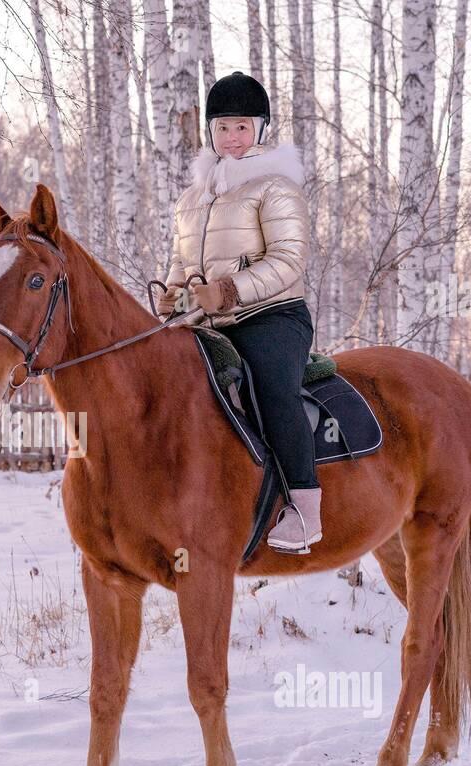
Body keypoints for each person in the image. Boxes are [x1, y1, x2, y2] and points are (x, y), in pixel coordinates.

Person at [158, 70, 322, 553]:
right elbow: (180, 264)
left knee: (272, 385)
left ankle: (304, 507)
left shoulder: (275, 188)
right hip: (209, 321)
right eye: (223, 127)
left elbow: (289, 260)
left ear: (261, 130)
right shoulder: (192, 199)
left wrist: (229, 291)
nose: (232, 138)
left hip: (273, 316)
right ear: (210, 131)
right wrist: (173, 297)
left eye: (242, 127)